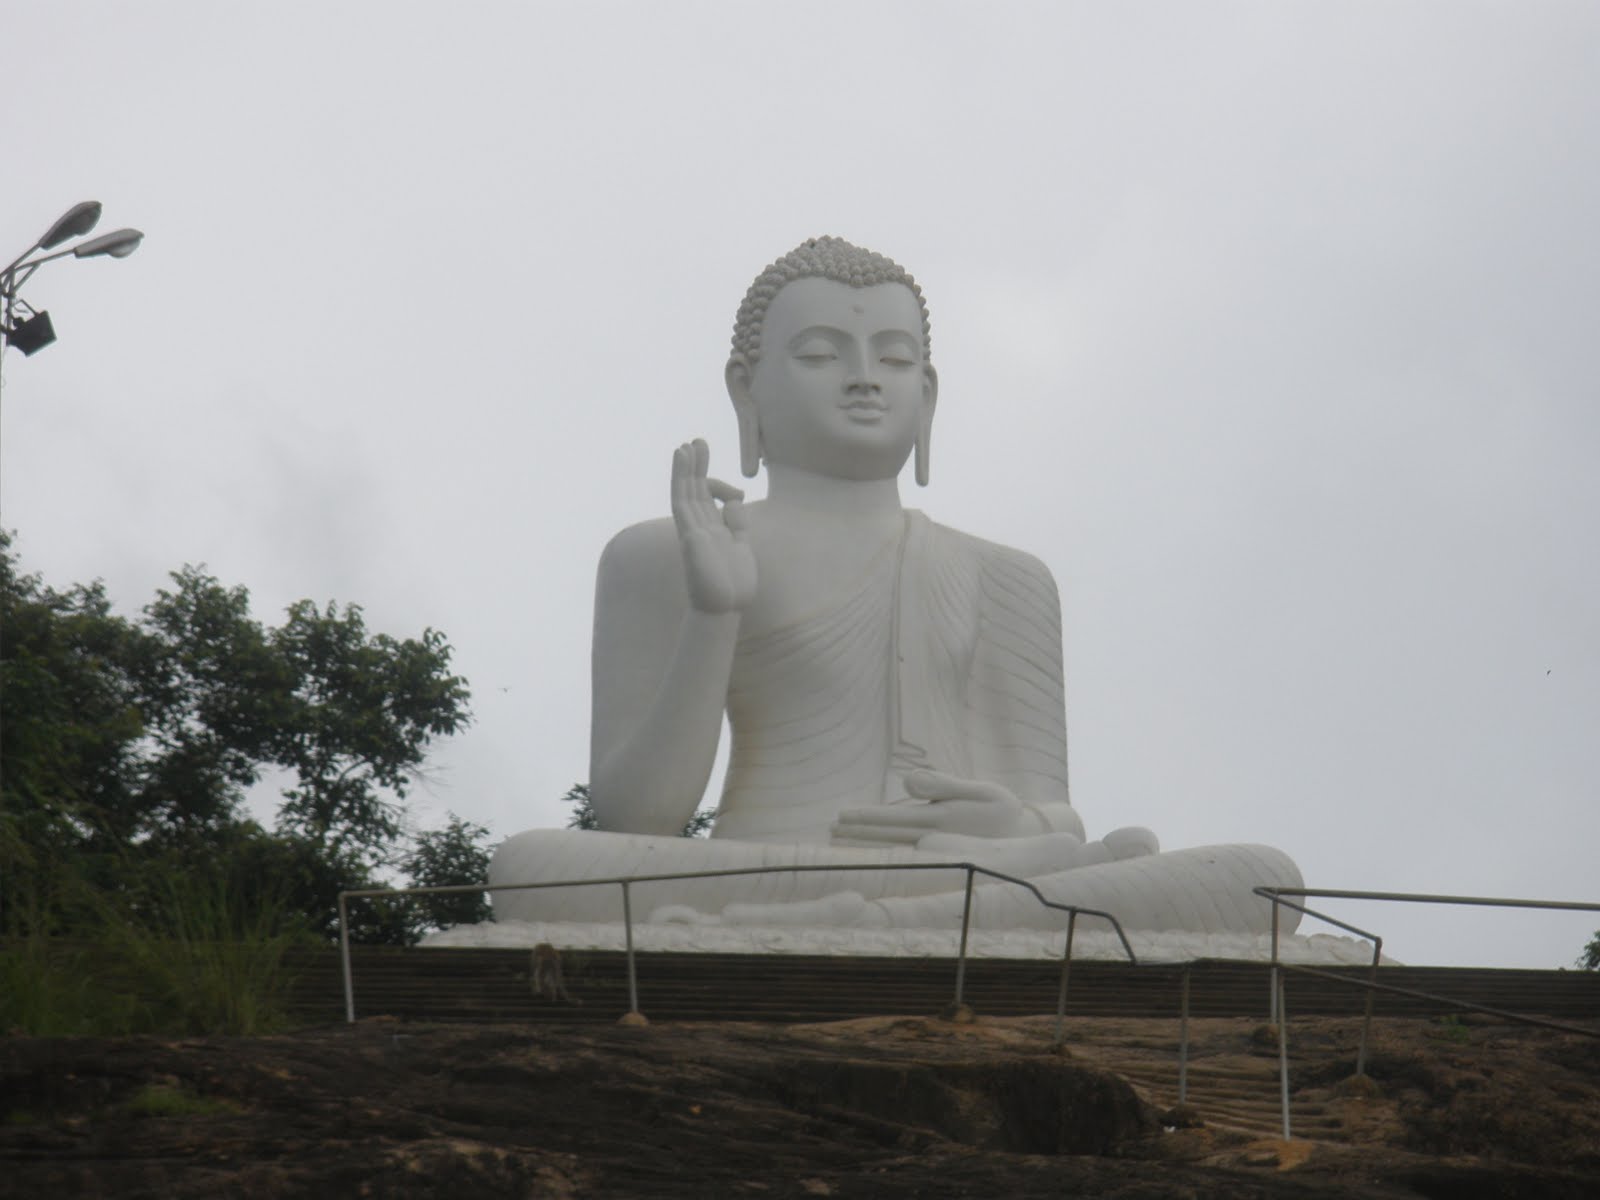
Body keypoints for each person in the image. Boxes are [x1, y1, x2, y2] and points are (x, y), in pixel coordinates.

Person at [489, 237, 1300, 934]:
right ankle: (899, 916)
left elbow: (1054, 815)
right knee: (533, 869)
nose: (864, 377)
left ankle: (870, 923)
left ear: (929, 392)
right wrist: (714, 613)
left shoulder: (1006, 575)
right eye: (819, 354)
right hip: (762, 865)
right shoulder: (666, 552)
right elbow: (639, 818)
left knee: (1263, 878)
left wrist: (1020, 823)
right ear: (747, 387)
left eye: (896, 356)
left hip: (974, 867)